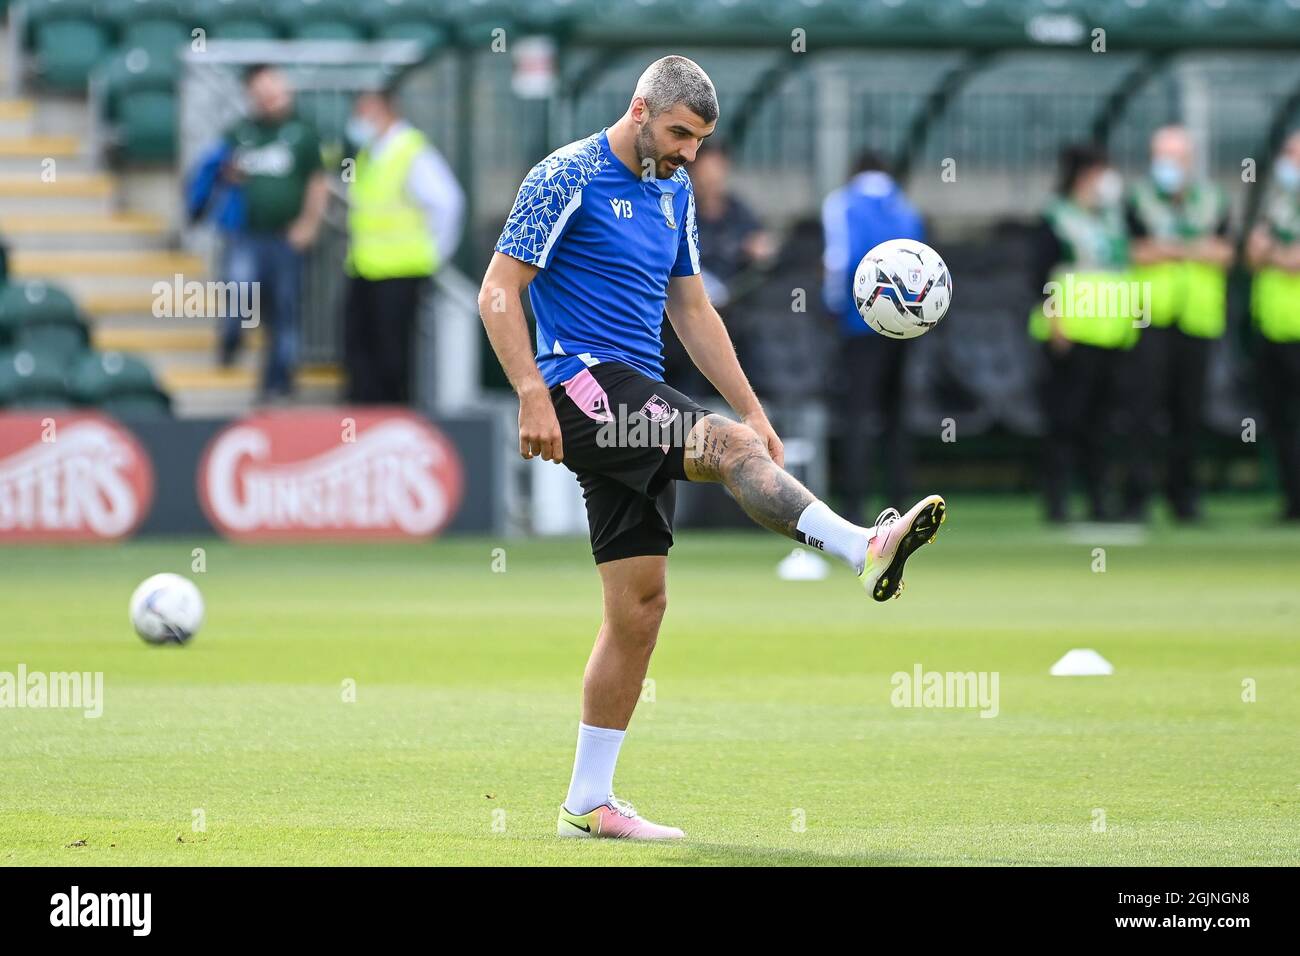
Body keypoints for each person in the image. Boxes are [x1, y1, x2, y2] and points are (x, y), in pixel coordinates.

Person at [479, 55, 946, 841]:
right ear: (638, 110)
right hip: (581, 384)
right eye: (678, 133)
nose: (689, 151)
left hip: (636, 390)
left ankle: (586, 804)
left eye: (699, 139)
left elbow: (693, 309)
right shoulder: (566, 176)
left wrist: (754, 410)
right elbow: (499, 289)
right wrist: (530, 390)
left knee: (640, 608)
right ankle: (864, 544)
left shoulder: (675, 189)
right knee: (725, 452)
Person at [1124, 126, 1233, 521]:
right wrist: (1191, 248)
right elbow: (1136, 251)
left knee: (1189, 413)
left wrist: (1168, 247)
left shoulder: (1213, 199)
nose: (1167, 165)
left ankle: (1184, 498)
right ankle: (1136, 498)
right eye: (1160, 156)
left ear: (1189, 160)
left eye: (1174, 157)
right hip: (1150, 317)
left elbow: (1224, 252)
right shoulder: (1136, 199)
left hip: (1198, 319)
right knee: (1143, 411)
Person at [1029, 144, 1137, 523]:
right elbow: (1040, 276)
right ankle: (1056, 501)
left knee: (1102, 424)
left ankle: (1098, 500)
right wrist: (1056, 322)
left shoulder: (1112, 218)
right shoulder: (1056, 218)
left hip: (1112, 333)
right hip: (1072, 334)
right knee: (1065, 418)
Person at [821, 150, 926, 524]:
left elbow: (840, 259)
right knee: (896, 412)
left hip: (859, 322)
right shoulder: (905, 206)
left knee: (857, 413)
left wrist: (831, 308)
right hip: (907, 325)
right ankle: (901, 503)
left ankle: (854, 505)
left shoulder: (842, 203)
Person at [343, 88, 465, 404]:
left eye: (366, 109)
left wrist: (435, 254)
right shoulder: (370, 153)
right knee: (360, 354)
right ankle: (365, 421)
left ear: (387, 109)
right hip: (365, 269)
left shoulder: (411, 150)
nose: (360, 118)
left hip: (401, 273)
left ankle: (393, 419)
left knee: (392, 358)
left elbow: (448, 204)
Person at [216, 64, 329, 400]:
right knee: (239, 292)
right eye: (263, 93)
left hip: (285, 237)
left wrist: (309, 224)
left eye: (275, 92)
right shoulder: (240, 132)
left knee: (284, 311)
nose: (271, 100)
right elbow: (216, 173)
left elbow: (317, 182)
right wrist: (228, 174)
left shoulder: (303, 133)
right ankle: (231, 338)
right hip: (246, 234)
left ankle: (276, 383)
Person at [661, 139, 773, 396]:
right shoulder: (679, 206)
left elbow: (761, 243)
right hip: (684, 312)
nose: (714, 176)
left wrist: (757, 249)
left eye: (719, 167)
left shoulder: (737, 210)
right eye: (707, 167)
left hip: (733, 310)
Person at [1247, 131, 1300, 522]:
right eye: (1288, 154)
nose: (1290, 163)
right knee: (1279, 419)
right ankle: (1291, 500)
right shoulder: (1277, 204)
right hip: (1273, 327)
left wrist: (1277, 254)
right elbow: (1254, 254)